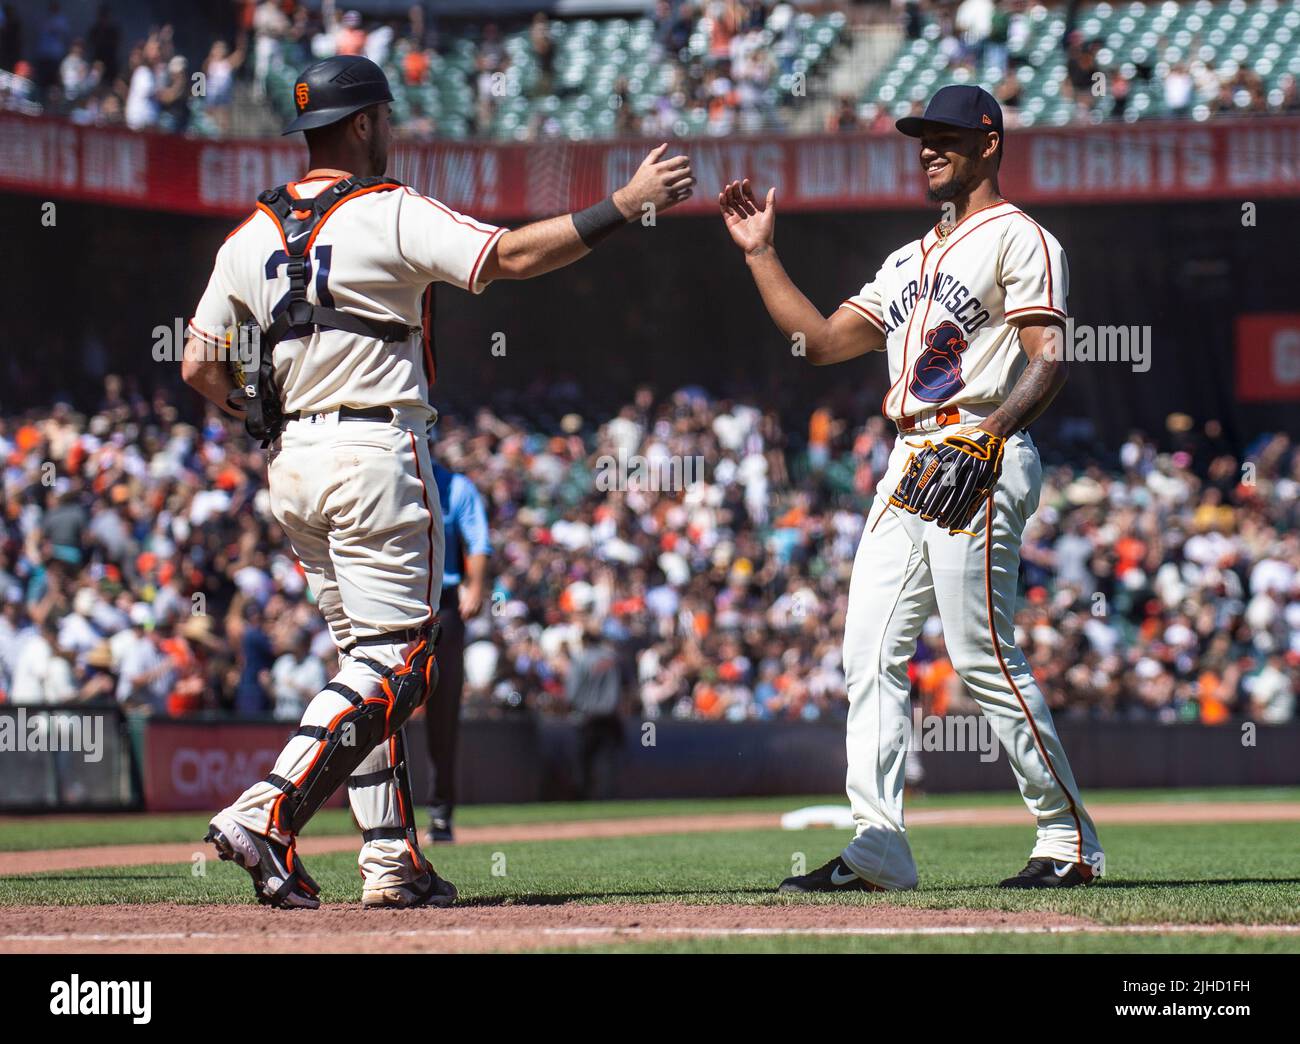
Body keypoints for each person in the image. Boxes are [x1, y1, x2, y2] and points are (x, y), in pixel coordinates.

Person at [182, 54, 693, 910]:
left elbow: (198, 365)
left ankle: (391, 863)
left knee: (365, 660)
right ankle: (267, 809)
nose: (393, 130)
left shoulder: (250, 235)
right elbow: (509, 258)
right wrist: (624, 205)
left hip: (292, 464)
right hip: (374, 449)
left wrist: (250, 408)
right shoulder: (387, 210)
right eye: (384, 117)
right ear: (360, 126)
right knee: (405, 660)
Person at [718, 84, 1103, 891]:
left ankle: (1067, 837)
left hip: (978, 442)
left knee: (980, 652)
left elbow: (1050, 356)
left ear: (990, 143)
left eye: (947, 137)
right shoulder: (908, 258)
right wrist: (760, 255)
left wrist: (988, 440)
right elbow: (820, 343)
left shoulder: (1019, 238)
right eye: (922, 137)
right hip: (910, 460)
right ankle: (878, 845)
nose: (929, 148)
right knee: (868, 654)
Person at [423, 461, 491, 843]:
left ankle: (440, 814)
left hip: (444, 602)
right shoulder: (387, 475)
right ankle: (378, 811)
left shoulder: (456, 486)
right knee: (381, 706)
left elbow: (478, 541)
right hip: (399, 601)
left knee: (443, 708)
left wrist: (476, 585)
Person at [565, 619, 625, 800]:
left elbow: (572, 693)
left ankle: (583, 795)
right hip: (609, 716)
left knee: (583, 759)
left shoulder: (581, 660)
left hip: (587, 717)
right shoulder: (612, 659)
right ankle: (606, 796)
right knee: (606, 759)